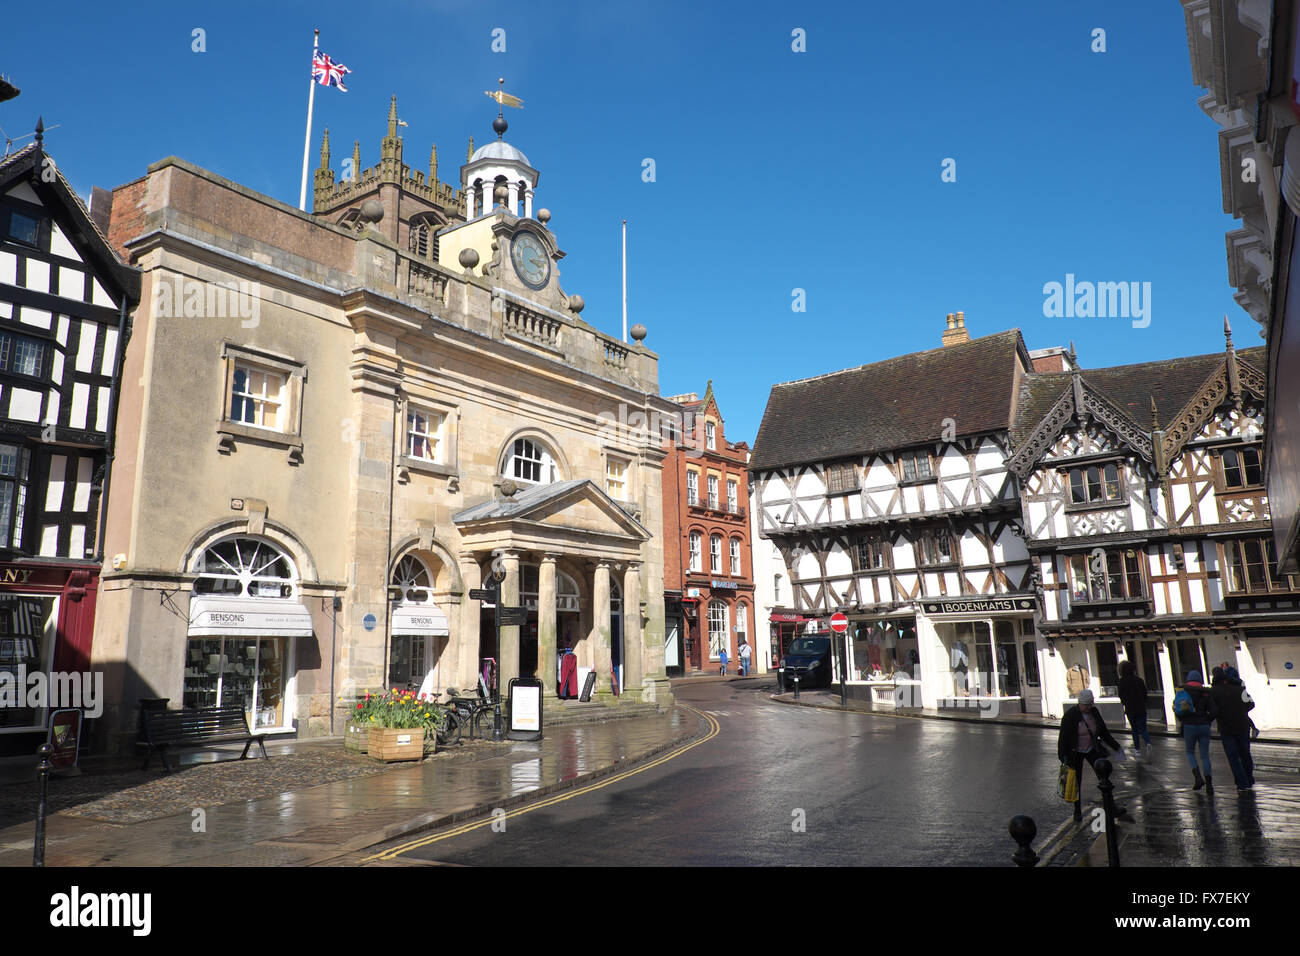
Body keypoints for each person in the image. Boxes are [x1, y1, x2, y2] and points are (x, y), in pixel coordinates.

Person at [1057, 688, 1124, 822]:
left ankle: (1112, 807)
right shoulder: (1071, 716)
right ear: (1079, 703)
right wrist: (1063, 757)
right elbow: (1063, 738)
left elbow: (1104, 732)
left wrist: (1116, 747)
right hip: (1075, 753)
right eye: (1085, 705)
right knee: (1076, 782)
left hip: (1091, 749)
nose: (1088, 707)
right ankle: (1077, 811)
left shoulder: (1094, 713)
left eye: (1090, 704)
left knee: (1104, 778)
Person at [1211, 666, 1256, 792]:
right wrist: (1241, 711)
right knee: (1245, 753)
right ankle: (1249, 779)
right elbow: (1251, 704)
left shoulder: (1214, 691)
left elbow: (1213, 710)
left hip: (1226, 728)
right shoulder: (1239, 689)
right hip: (1242, 726)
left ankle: (1241, 783)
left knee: (1233, 757)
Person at [1174, 670, 1218, 794]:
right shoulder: (1206, 693)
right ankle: (1209, 785)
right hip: (1204, 726)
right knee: (1205, 755)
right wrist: (1207, 720)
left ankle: (1198, 778)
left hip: (1189, 726)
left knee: (1190, 752)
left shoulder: (1183, 691)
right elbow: (1214, 711)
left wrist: (1183, 720)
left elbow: (1177, 708)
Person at [1117, 660, 1152, 759]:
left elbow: (1121, 695)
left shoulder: (1122, 681)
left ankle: (1137, 750)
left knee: (1134, 729)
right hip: (1141, 707)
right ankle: (1148, 743)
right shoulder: (1139, 680)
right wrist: (1143, 702)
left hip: (1130, 708)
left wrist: (1125, 703)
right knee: (1143, 728)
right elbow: (1145, 694)